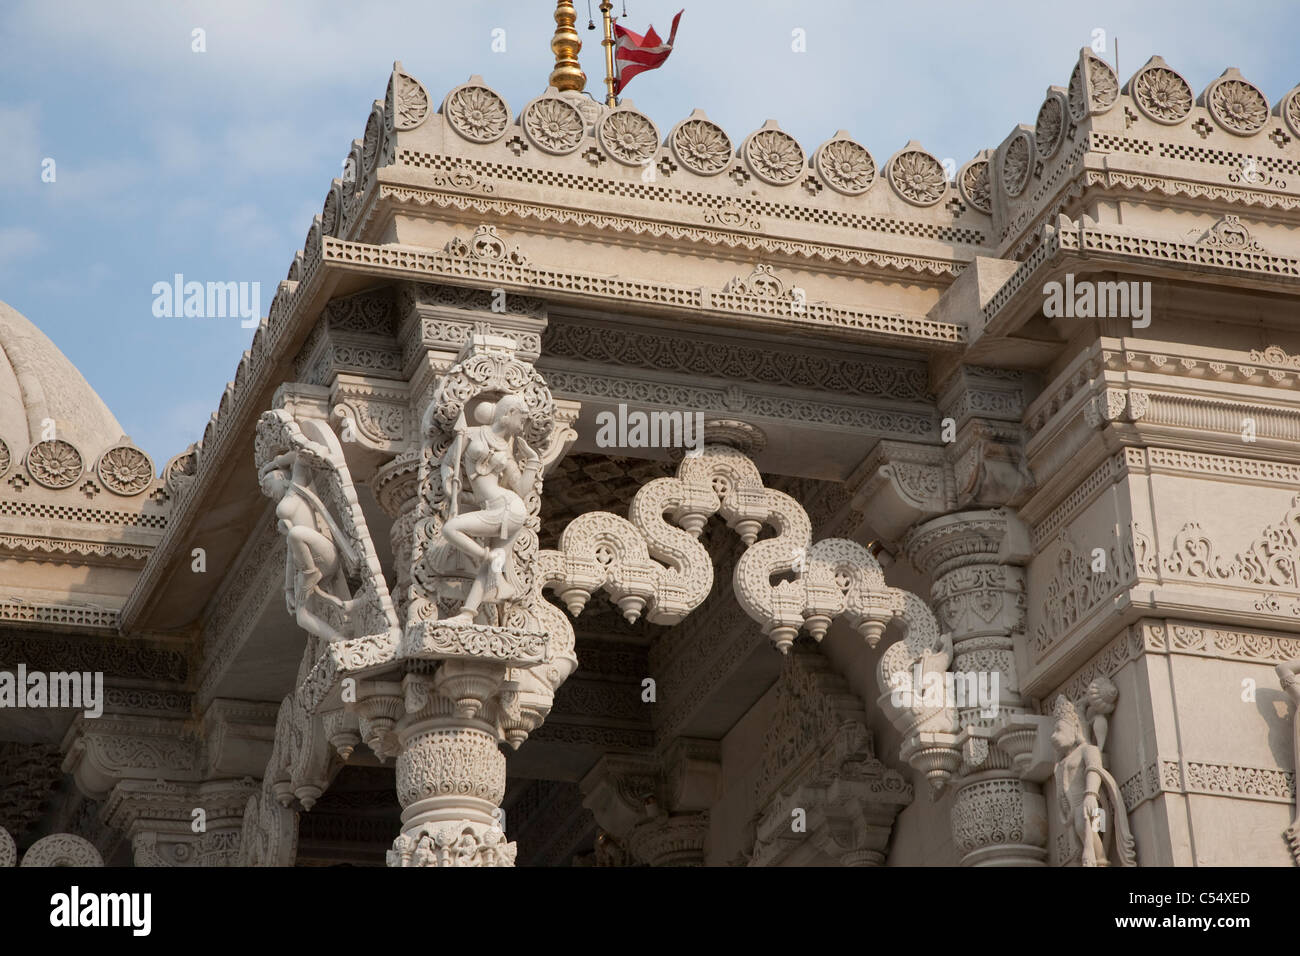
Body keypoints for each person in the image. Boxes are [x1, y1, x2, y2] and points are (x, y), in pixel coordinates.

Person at [438, 394, 541, 623]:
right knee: (490, 569)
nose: (523, 425)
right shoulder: (472, 433)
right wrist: (449, 483)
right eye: (521, 418)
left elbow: (522, 490)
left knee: (450, 529)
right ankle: (467, 614)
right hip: (498, 508)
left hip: (509, 507)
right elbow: (448, 463)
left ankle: (488, 556)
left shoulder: (507, 453)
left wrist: (532, 460)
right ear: (509, 412)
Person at [258, 448, 360, 642]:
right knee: (302, 616)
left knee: (295, 534)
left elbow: (300, 455)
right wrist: (289, 589)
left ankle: (309, 573)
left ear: (281, 477)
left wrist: (275, 463)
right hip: (307, 563)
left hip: (324, 554)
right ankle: (340, 642)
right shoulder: (286, 510)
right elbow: (291, 553)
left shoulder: (296, 488)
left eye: (269, 486)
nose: (270, 493)